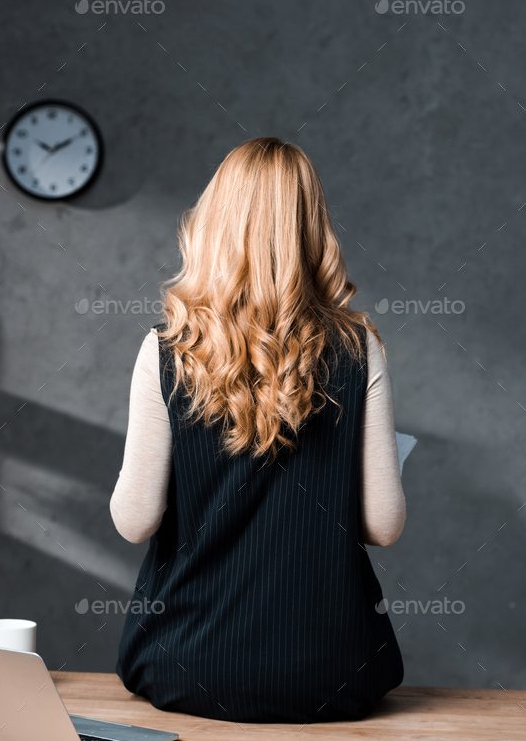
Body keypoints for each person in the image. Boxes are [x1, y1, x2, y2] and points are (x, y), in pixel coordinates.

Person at [110, 137, 406, 724]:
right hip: (333, 673)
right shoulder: (358, 348)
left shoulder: (169, 351)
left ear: (213, 223)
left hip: (185, 667)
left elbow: (134, 519)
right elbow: (384, 525)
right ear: (313, 228)